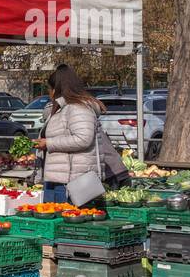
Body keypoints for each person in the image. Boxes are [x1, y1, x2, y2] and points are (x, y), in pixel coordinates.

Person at [34, 65, 123, 204]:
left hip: (73, 182)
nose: (49, 94)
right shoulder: (62, 108)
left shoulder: (77, 108)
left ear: (56, 89)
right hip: (59, 179)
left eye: (48, 89)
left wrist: (49, 143)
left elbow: (83, 139)